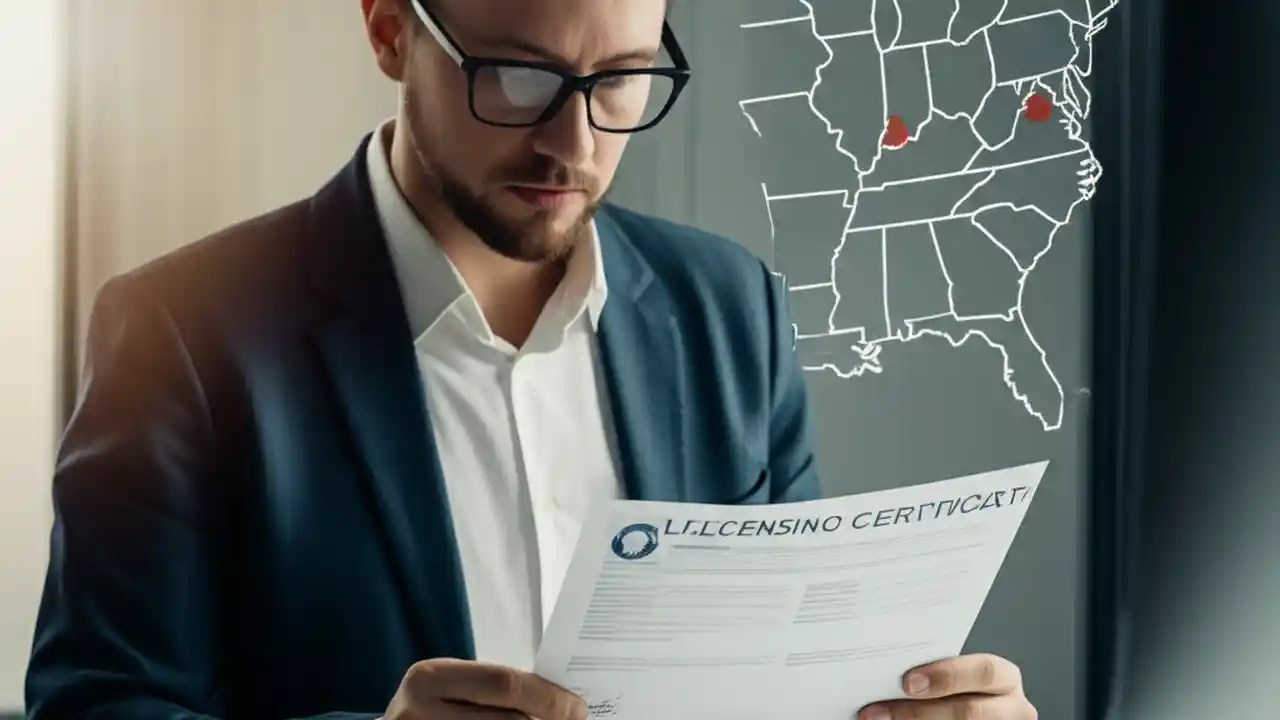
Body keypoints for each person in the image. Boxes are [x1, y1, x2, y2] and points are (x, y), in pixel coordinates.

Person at [25, 1, 1038, 719]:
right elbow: (100, 706)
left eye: (623, 81)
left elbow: (786, 680)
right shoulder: (181, 329)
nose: (575, 143)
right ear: (388, 29)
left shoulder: (730, 310)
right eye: (518, 77)